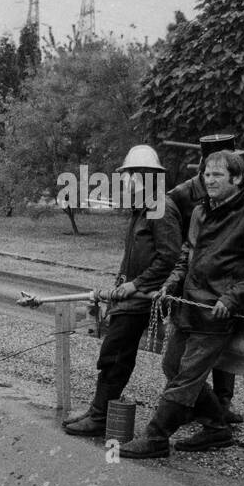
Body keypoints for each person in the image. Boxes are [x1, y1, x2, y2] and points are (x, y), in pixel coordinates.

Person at [120, 150, 244, 458]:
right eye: (206, 174)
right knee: (172, 366)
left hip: (218, 313)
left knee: (186, 375)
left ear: (236, 178)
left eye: (217, 175)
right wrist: (170, 284)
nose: (209, 180)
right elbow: (186, 254)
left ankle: (156, 437)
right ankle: (216, 427)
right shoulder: (200, 212)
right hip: (189, 306)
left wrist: (233, 298)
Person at [63, 145, 182, 436]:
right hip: (130, 295)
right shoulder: (141, 208)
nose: (125, 181)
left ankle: (100, 416)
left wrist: (137, 285)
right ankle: (98, 410)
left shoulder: (159, 208)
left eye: (129, 175)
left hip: (143, 299)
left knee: (115, 354)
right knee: (114, 354)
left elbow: (168, 257)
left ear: (146, 176)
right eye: (126, 176)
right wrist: (120, 282)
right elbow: (135, 255)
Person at [168, 132, 244, 424]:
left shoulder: (243, 196)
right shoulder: (190, 190)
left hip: (228, 281)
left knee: (221, 348)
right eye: (208, 169)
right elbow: (168, 206)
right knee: (183, 357)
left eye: (220, 169)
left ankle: (220, 404)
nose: (212, 177)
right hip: (195, 276)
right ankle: (202, 405)